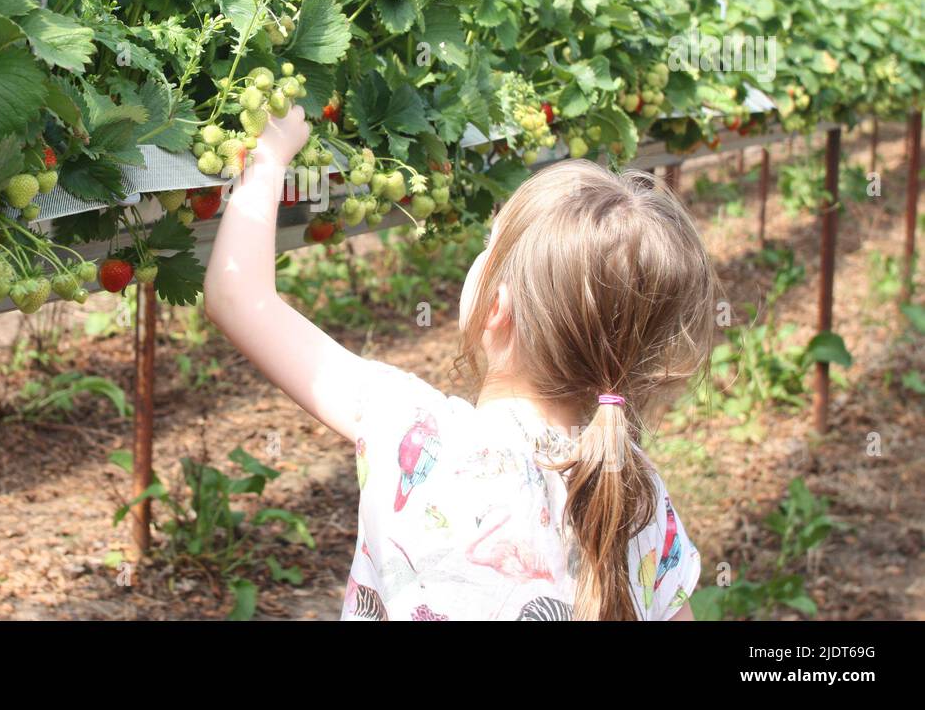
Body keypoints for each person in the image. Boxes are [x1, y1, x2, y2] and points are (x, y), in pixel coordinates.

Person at [203, 104, 715, 620]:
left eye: (488, 247)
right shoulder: (634, 487)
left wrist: (270, 153)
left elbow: (239, 297)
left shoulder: (415, 430)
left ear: (496, 306)